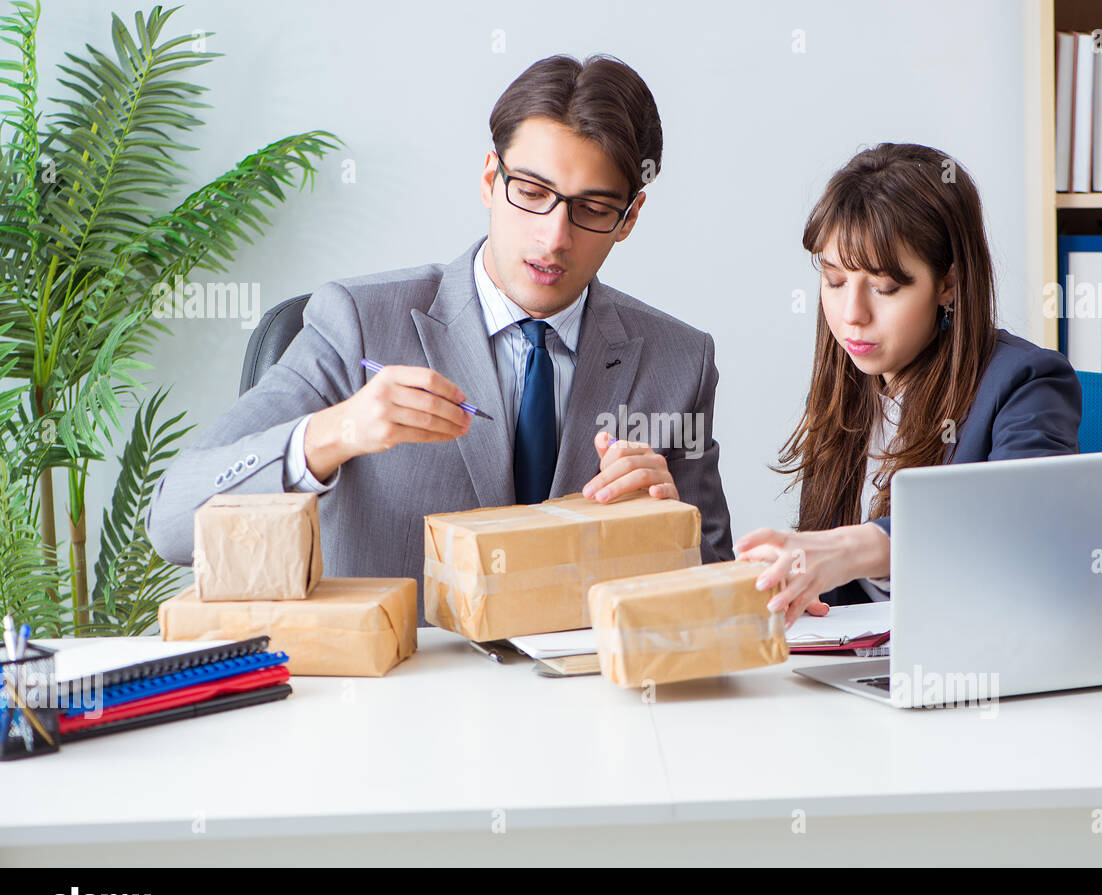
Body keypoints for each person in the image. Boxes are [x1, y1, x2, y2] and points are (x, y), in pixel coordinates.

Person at [146, 55, 734, 621]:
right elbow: (173, 521)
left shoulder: (678, 360)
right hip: (398, 697)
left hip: (593, 702)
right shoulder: (355, 322)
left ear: (628, 218)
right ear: (489, 178)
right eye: (530, 193)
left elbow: (714, 594)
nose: (554, 237)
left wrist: (670, 529)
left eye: (592, 209)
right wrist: (334, 432)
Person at [736, 143, 1081, 625]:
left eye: (884, 288)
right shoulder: (854, 382)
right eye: (834, 281)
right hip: (851, 670)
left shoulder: (1025, 382)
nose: (851, 314)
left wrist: (857, 547)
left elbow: (1021, 526)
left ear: (948, 284)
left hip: (974, 669)